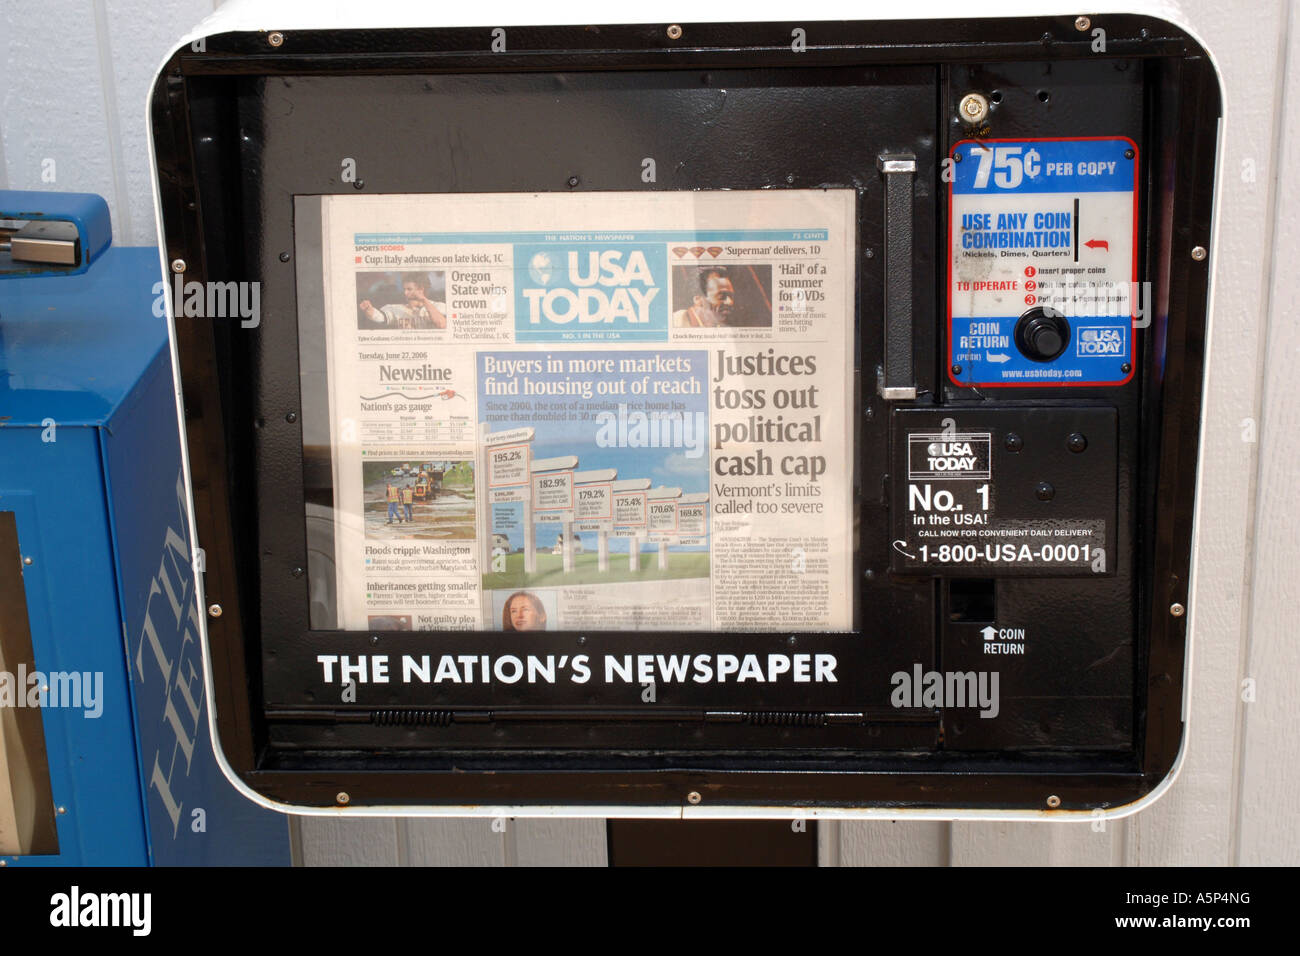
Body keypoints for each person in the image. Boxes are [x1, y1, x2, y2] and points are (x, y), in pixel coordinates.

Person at [358, 273, 448, 329]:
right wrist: (369, 310)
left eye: (409, 289)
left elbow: (441, 324)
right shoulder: (396, 308)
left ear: (421, 289)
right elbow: (379, 317)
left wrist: (424, 300)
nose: (405, 292)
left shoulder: (438, 306)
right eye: (404, 289)